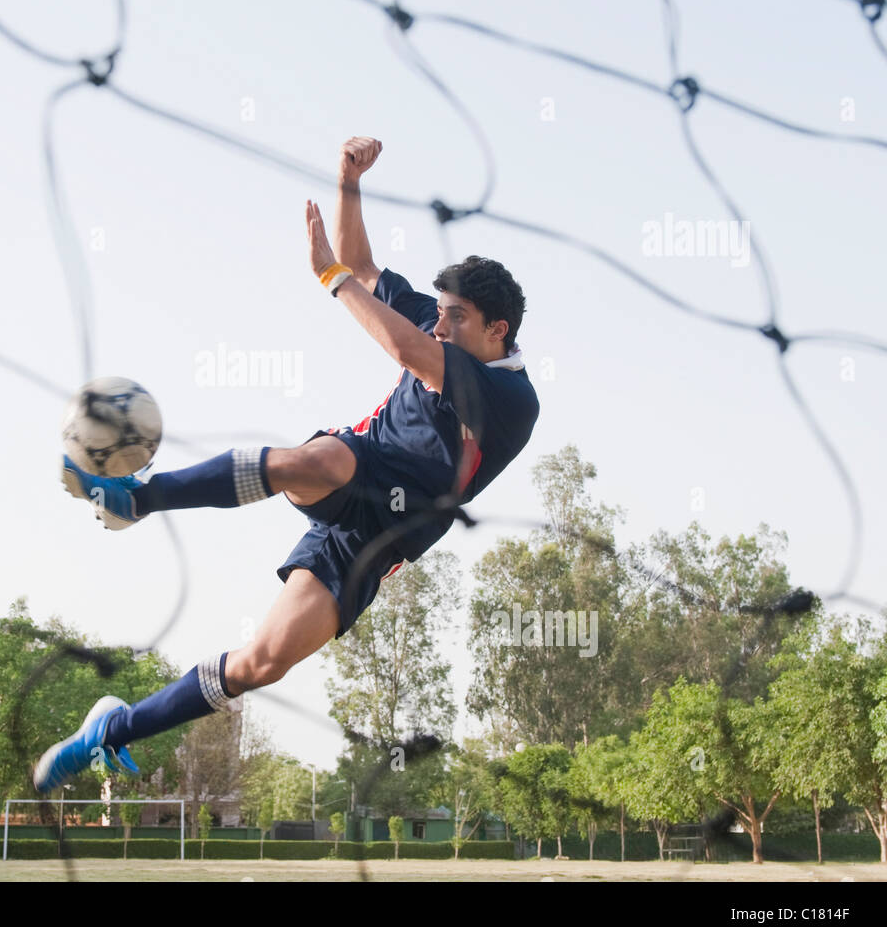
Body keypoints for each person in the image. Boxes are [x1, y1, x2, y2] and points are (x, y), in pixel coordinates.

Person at [33, 137, 539, 792]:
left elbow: (403, 343)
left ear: (497, 331)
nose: (440, 326)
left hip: (381, 534)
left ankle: (111, 729)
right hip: (361, 460)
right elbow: (363, 267)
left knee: (261, 663)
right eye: (439, 314)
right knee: (322, 460)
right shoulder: (443, 326)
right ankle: (137, 498)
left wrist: (330, 279)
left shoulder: (508, 398)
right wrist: (349, 184)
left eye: (456, 319)